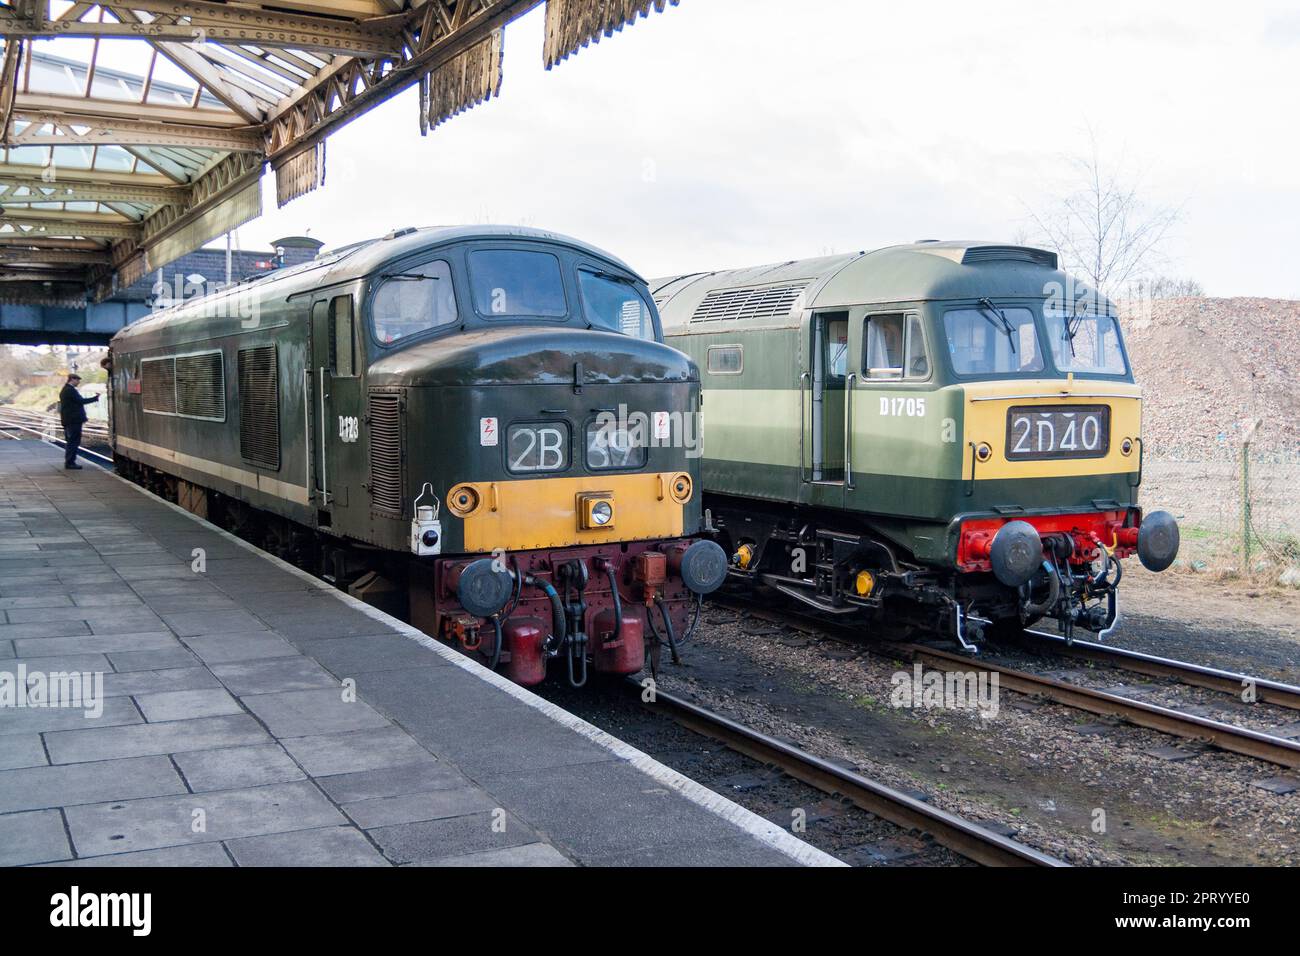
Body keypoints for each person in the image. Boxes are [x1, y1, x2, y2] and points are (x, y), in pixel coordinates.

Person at [58, 373, 98, 470]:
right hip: (73, 421)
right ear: (72, 379)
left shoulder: (67, 389)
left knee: (71, 441)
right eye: (77, 380)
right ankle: (70, 462)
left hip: (70, 420)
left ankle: (70, 461)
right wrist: (95, 398)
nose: (79, 382)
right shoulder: (69, 390)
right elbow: (81, 401)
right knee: (73, 442)